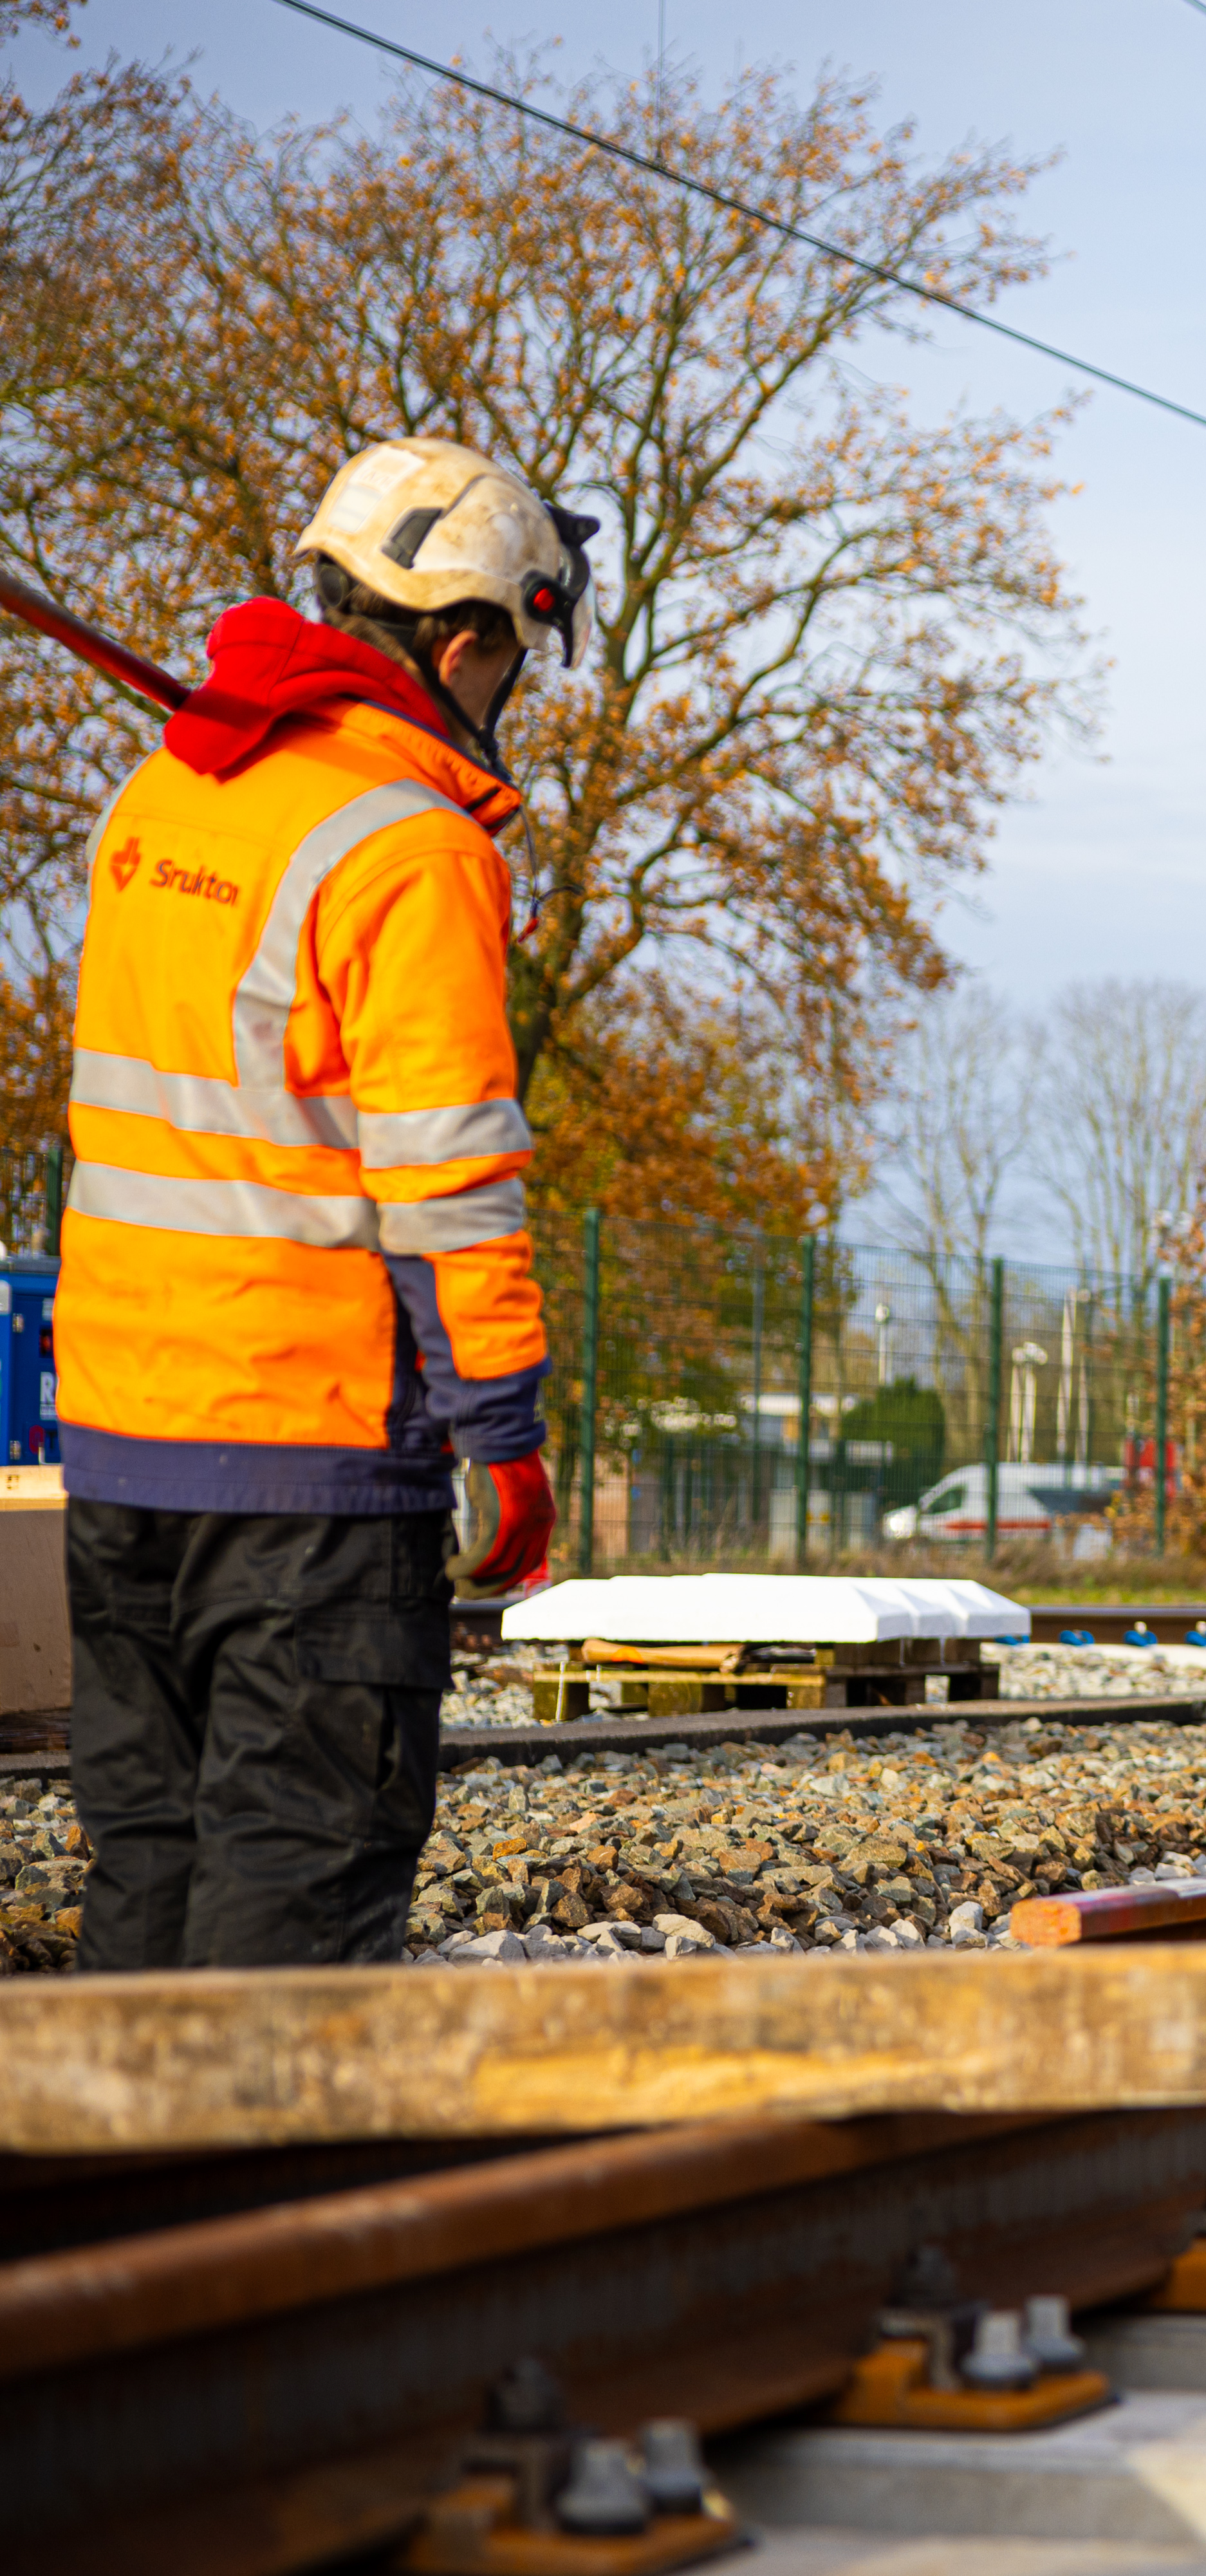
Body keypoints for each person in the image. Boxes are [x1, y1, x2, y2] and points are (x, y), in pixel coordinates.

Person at [60, 436, 580, 1968]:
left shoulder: (167, 796)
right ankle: (251, 2204)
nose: (511, 699)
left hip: (118, 1447)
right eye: (517, 661)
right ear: (466, 639)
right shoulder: (409, 846)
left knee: (146, 1886)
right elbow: (449, 1182)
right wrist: (504, 1436)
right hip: (311, 1476)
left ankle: (112, 2208)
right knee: (293, 1915)